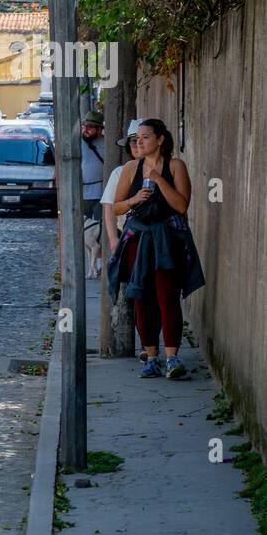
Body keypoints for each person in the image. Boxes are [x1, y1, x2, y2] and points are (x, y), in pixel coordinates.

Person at [107, 118, 204, 379]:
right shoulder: (130, 168)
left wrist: (159, 180)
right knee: (142, 297)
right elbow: (116, 207)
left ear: (160, 139)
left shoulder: (175, 167)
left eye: (145, 136)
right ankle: (151, 357)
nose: (139, 141)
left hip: (168, 240)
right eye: (137, 137)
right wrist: (133, 199)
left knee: (167, 296)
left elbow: (182, 206)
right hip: (139, 239)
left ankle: (172, 358)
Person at [102, 119, 143, 253]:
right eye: (133, 141)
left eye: (143, 140)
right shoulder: (119, 173)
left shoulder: (167, 169)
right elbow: (109, 207)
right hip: (128, 234)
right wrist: (113, 239)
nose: (138, 145)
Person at [80, 110, 106, 223]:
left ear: (100, 129)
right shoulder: (77, 142)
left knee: (100, 226)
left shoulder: (108, 144)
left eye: (89, 127)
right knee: (83, 229)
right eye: (84, 126)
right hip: (82, 195)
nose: (85, 130)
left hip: (102, 195)